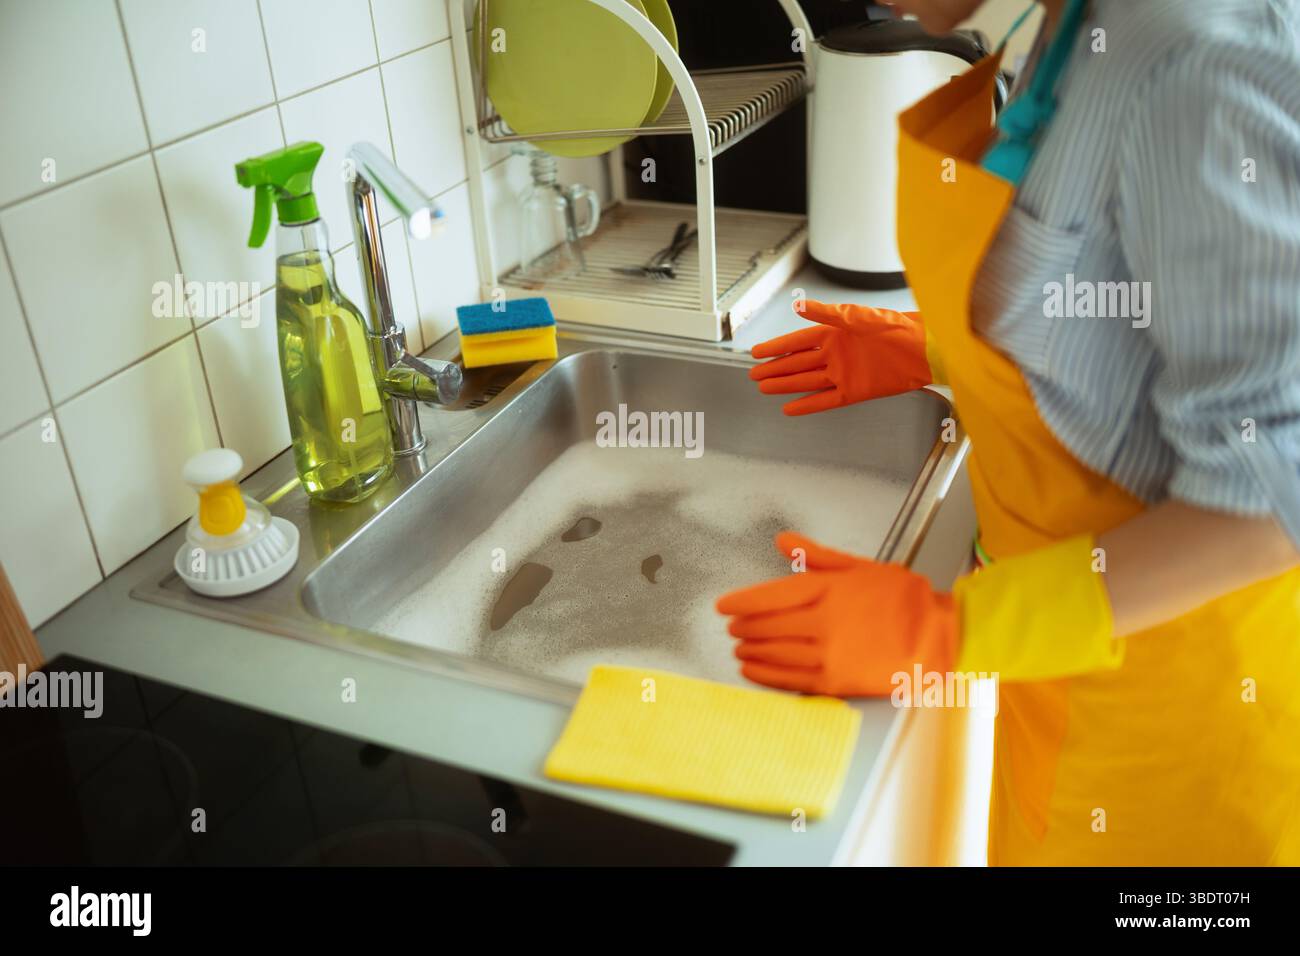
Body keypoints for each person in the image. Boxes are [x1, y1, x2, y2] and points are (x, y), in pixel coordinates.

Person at [716, 0, 1300, 865]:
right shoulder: (1075, 26)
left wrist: (948, 633)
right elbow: (1122, 306)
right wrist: (941, 351)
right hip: (1075, 694)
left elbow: (1269, 496)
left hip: (1185, 748)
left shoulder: (1190, 56)